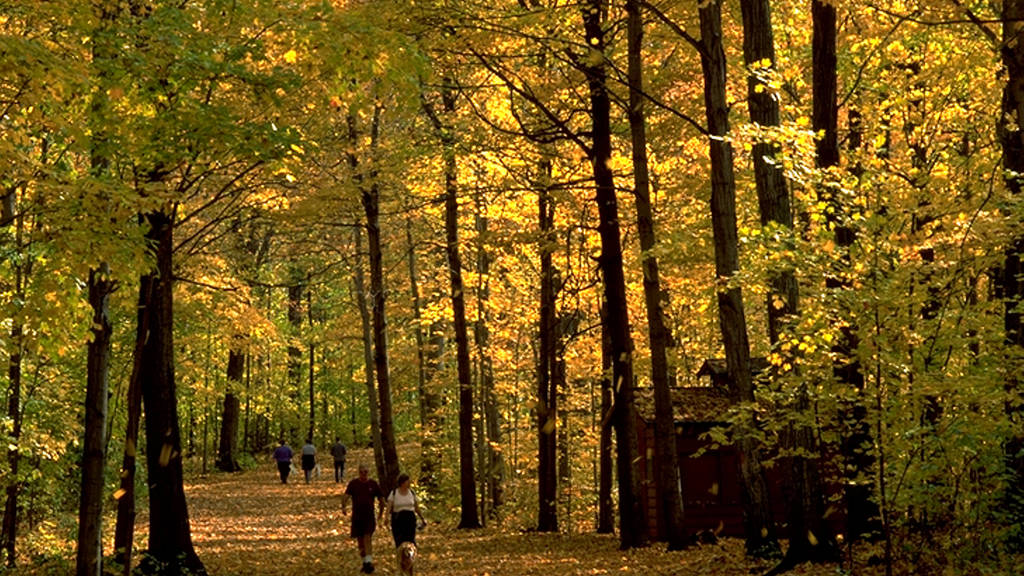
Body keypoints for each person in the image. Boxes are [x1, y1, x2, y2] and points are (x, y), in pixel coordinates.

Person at [342, 463, 385, 574]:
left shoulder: (373, 484)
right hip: (357, 516)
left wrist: (381, 513)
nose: (364, 474)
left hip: (369, 516)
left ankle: (369, 562)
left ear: (368, 472)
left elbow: (381, 500)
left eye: (366, 472)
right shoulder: (353, 484)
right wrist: (343, 507)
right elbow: (346, 496)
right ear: (359, 472)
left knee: (367, 538)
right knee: (360, 542)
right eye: (362, 472)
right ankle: (365, 561)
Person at [385, 473, 426, 549]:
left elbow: (416, 507)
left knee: (410, 540)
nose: (409, 483)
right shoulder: (394, 493)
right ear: (402, 482)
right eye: (407, 481)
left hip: (410, 518)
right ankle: (400, 557)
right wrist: (386, 518)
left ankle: (410, 558)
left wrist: (422, 518)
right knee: (399, 540)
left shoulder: (411, 493)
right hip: (398, 519)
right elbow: (389, 507)